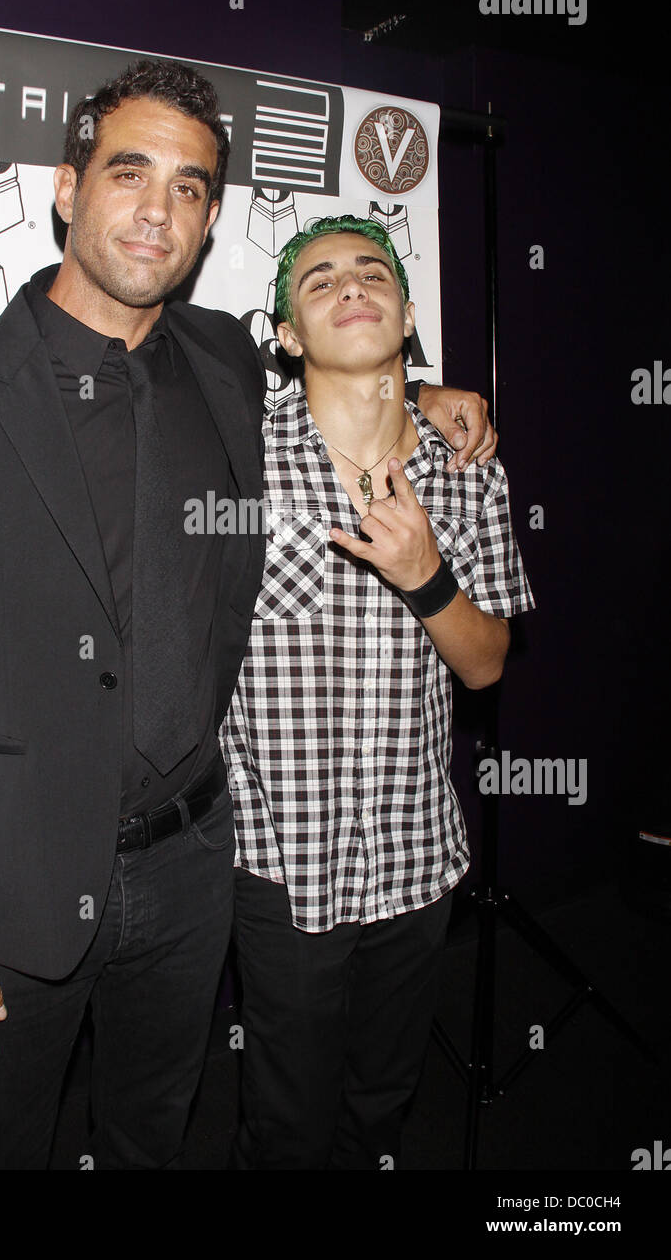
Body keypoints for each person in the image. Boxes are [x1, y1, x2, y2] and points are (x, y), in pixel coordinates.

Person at [0, 59, 496, 1170]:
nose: (159, 209)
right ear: (68, 190)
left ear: (207, 222)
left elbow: (339, 380)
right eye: (130, 173)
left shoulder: (223, 360)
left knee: (154, 1140)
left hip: (195, 865)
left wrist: (425, 393)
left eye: (190, 187)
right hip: (9, 888)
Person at [220, 214, 536, 1170]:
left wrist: (427, 576)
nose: (350, 286)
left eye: (371, 273)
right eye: (319, 282)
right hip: (282, 862)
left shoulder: (469, 473)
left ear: (405, 317)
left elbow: (487, 664)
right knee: (285, 1124)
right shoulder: (234, 455)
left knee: (380, 1109)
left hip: (415, 853)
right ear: (286, 334)